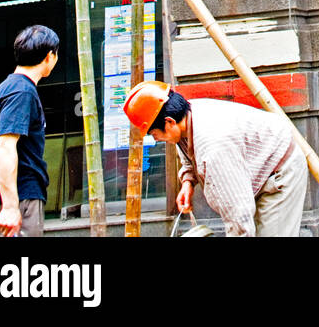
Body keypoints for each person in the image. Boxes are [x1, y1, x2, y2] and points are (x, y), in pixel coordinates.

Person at [123, 81, 308, 238]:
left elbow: (239, 216)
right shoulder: (186, 118)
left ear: (169, 122)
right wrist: (188, 181)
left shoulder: (213, 147)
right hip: (256, 166)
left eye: (154, 134)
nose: (156, 140)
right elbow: (186, 150)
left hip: (280, 172)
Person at [0, 24, 59, 238]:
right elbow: (5, 147)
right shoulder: (22, 93)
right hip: (17, 199)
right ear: (49, 56)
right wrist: (11, 207)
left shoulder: (6, 88)